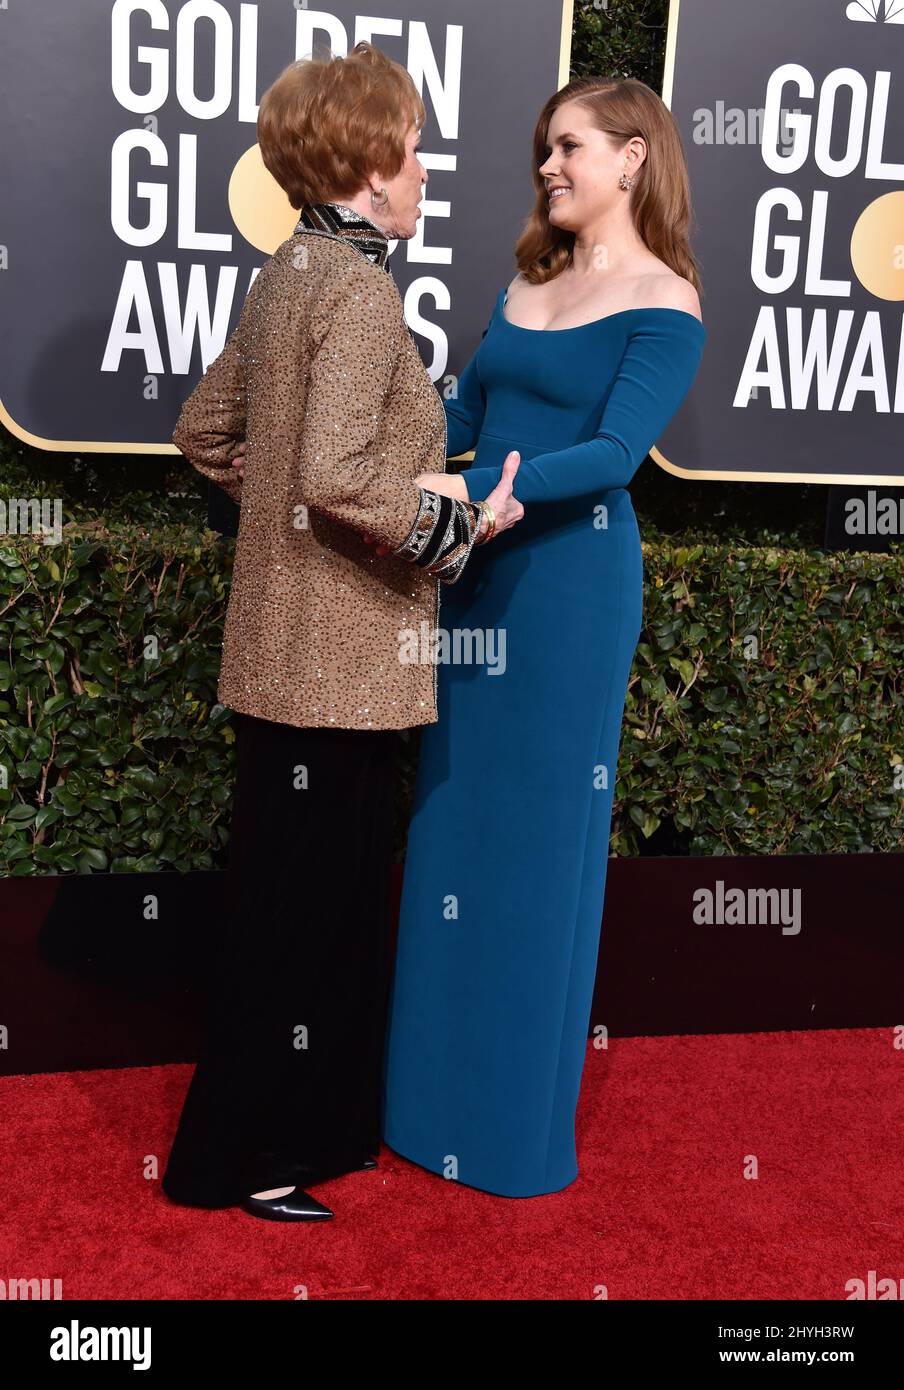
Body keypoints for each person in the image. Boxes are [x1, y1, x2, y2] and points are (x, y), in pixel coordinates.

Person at [160, 42, 522, 1223]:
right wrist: (459, 523)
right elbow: (335, 475)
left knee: (279, 915)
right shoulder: (360, 289)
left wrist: (283, 520)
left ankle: (248, 1149)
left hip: (278, 656)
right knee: (307, 926)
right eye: (412, 149)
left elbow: (205, 432)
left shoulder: (288, 271)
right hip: (343, 672)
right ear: (368, 164)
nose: (424, 170)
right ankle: (257, 1158)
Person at [381, 76, 708, 1196]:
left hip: (567, 591)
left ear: (633, 158)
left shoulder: (668, 302)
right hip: (474, 578)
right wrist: (386, 463)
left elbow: (614, 456)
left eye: (568, 147)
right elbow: (463, 418)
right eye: (542, 150)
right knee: (452, 832)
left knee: (532, 858)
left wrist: (489, 491)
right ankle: (423, 1108)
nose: (548, 167)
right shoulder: (525, 281)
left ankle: (513, 1132)